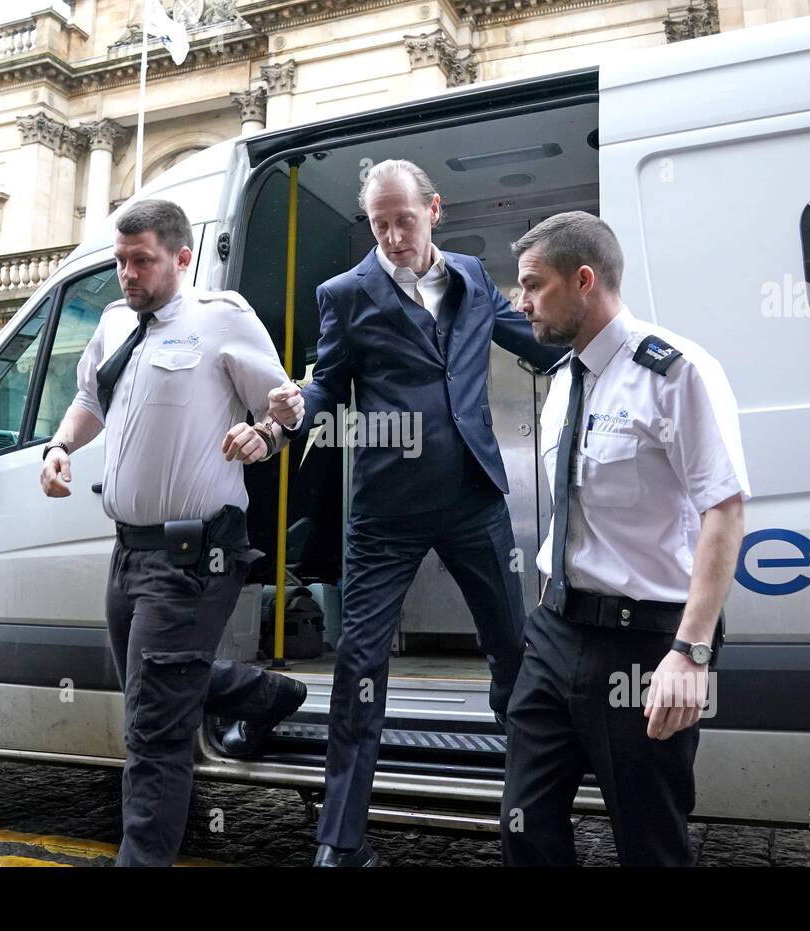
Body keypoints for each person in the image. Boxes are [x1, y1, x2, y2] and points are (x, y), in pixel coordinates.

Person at [267, 160, 566, 867]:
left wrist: (608, 346)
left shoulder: (469, 277)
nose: (395, 236)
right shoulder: (344, 294)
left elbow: (541, 346)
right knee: (358, 668)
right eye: (380, 224)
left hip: (473, 496)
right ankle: (340, 842)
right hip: (385, 513)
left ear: (435, 209)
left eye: (406, 220)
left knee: (512, 654)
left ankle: (530, 818)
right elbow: (328, 385)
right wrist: (293, 407)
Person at [39, 199, 307, 867]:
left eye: (142, 261)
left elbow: (285, 407)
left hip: (194, 553)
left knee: (153, 731)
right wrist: (60, 445)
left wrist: (264, 435)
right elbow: (89, 399)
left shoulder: (222, 317)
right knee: (151, 686)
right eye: (121, 261)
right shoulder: (110, 323)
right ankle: (266, 692)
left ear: (182, 257)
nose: (127, 274)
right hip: (127, 552)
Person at [500, 211, 750, 866]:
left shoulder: (677, 374)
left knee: (650, 843)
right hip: (555, 635)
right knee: (525, 828)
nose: (520, 303)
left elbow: (723, 509)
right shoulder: (561, 383)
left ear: (584, 280)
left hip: (642, 646)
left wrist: (691, 652)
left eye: (533, 285)